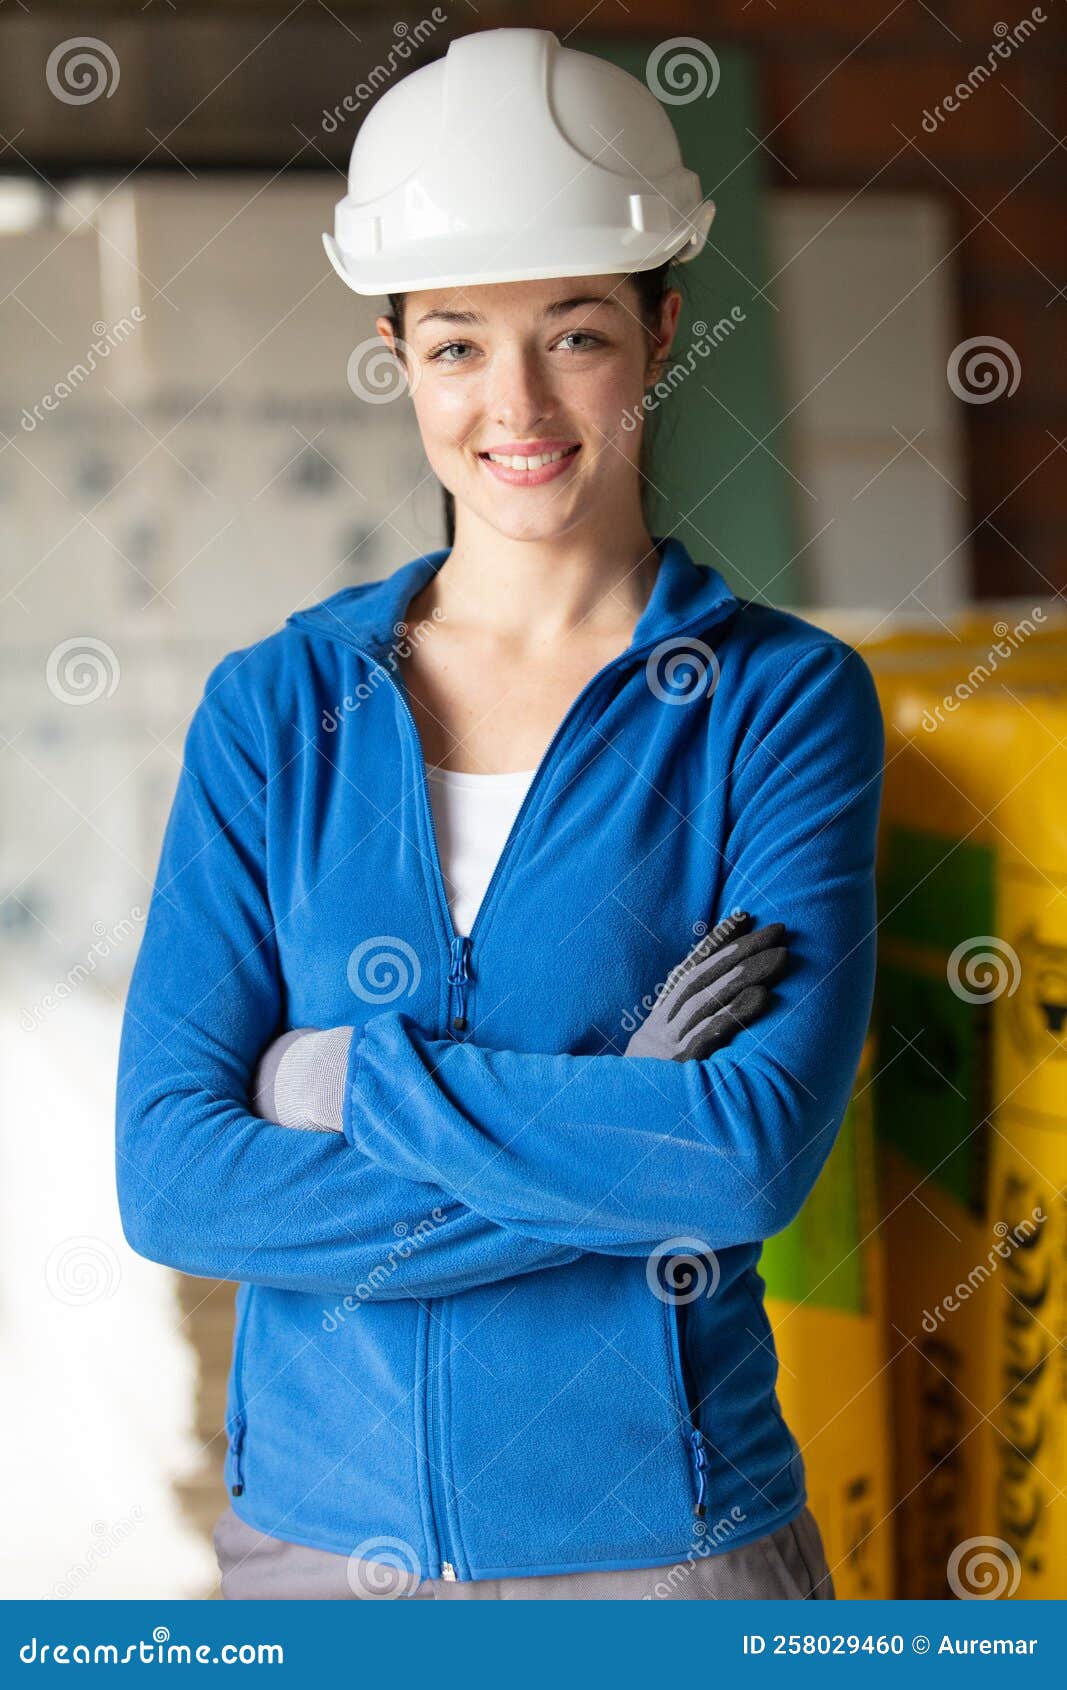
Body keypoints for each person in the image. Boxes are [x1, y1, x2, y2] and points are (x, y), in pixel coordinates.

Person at [115, 26, 883, 1601]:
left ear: (661, 333)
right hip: (314, 1555)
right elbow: (175, 1178)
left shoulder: (779, 705)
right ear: (397, 354)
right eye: (459, 342)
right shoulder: (277, 710)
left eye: (576, 333)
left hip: (668, 1554)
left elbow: (740, 1159)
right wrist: (614, 1118)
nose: (516, 403)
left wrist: (336, 1078)